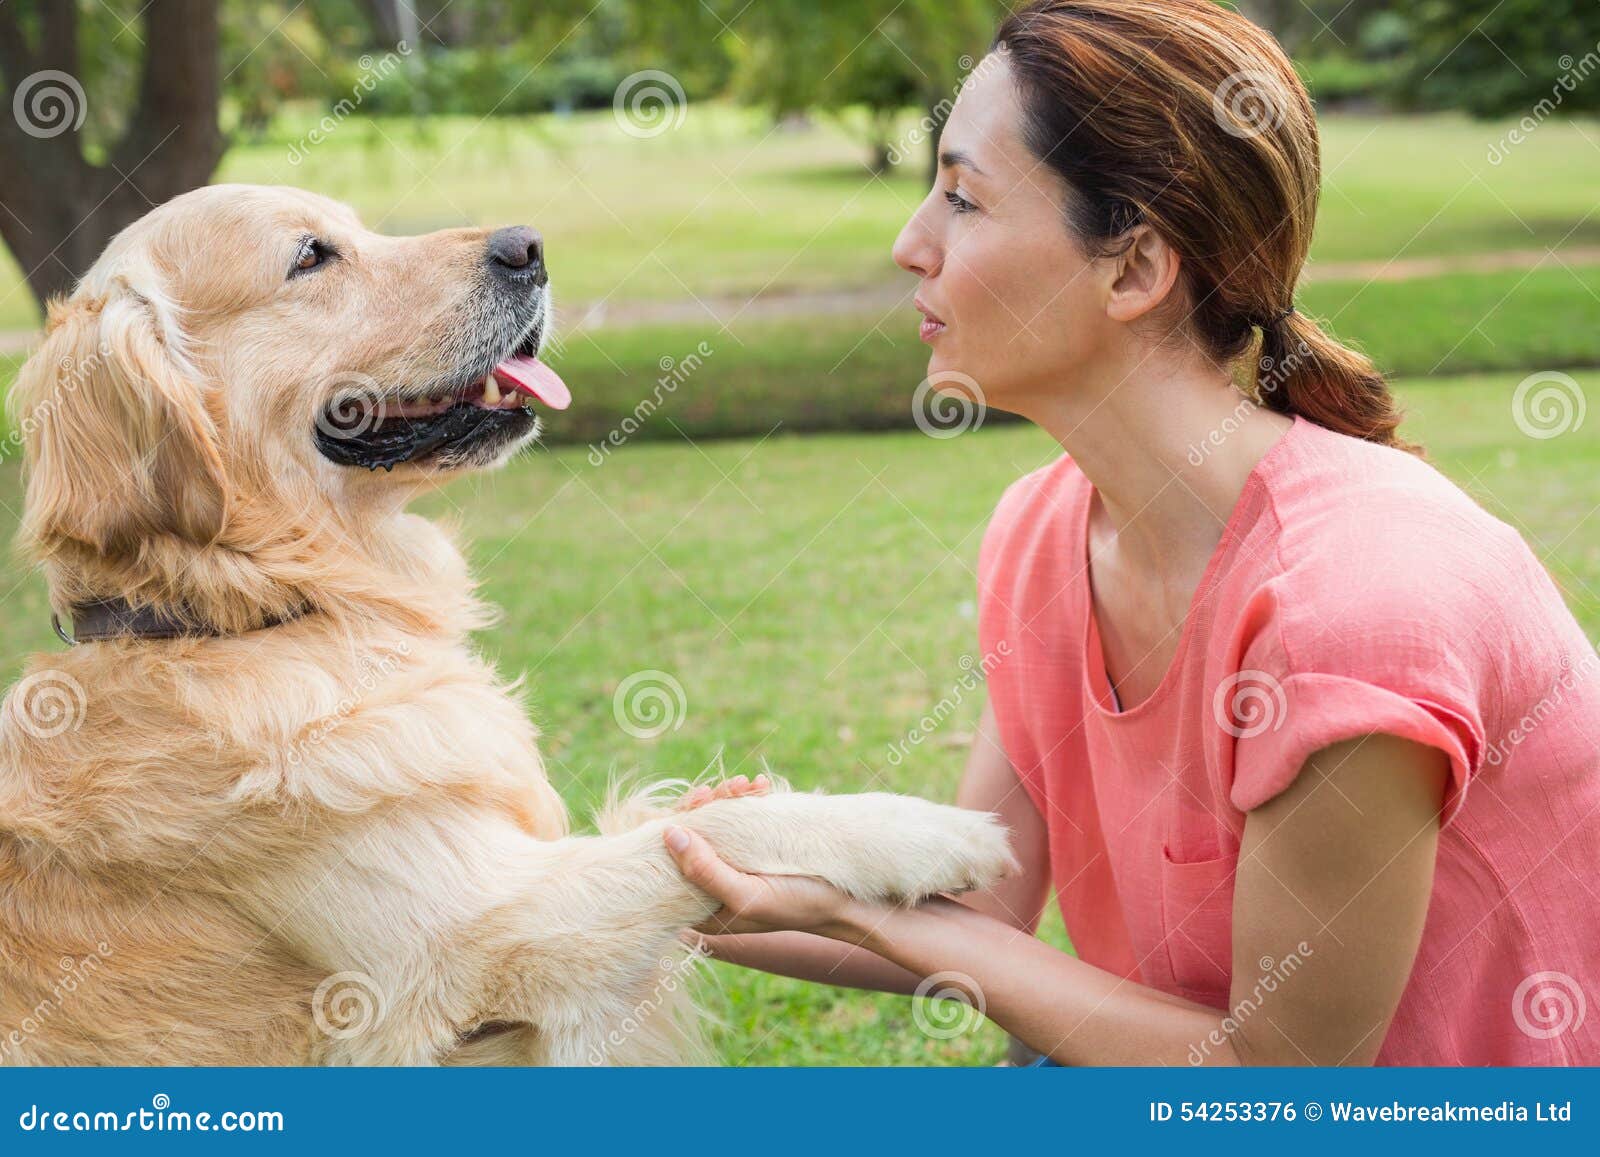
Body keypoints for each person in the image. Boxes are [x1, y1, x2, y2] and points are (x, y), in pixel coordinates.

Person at [662, 0, 1600, 1065]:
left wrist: (868, 912)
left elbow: (1283, 1084)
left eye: (963, 198)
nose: (907, 243)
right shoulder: (1042, 531)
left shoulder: (1351, 600)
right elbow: (987, 899)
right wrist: (663, 877)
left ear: (1133, 268)